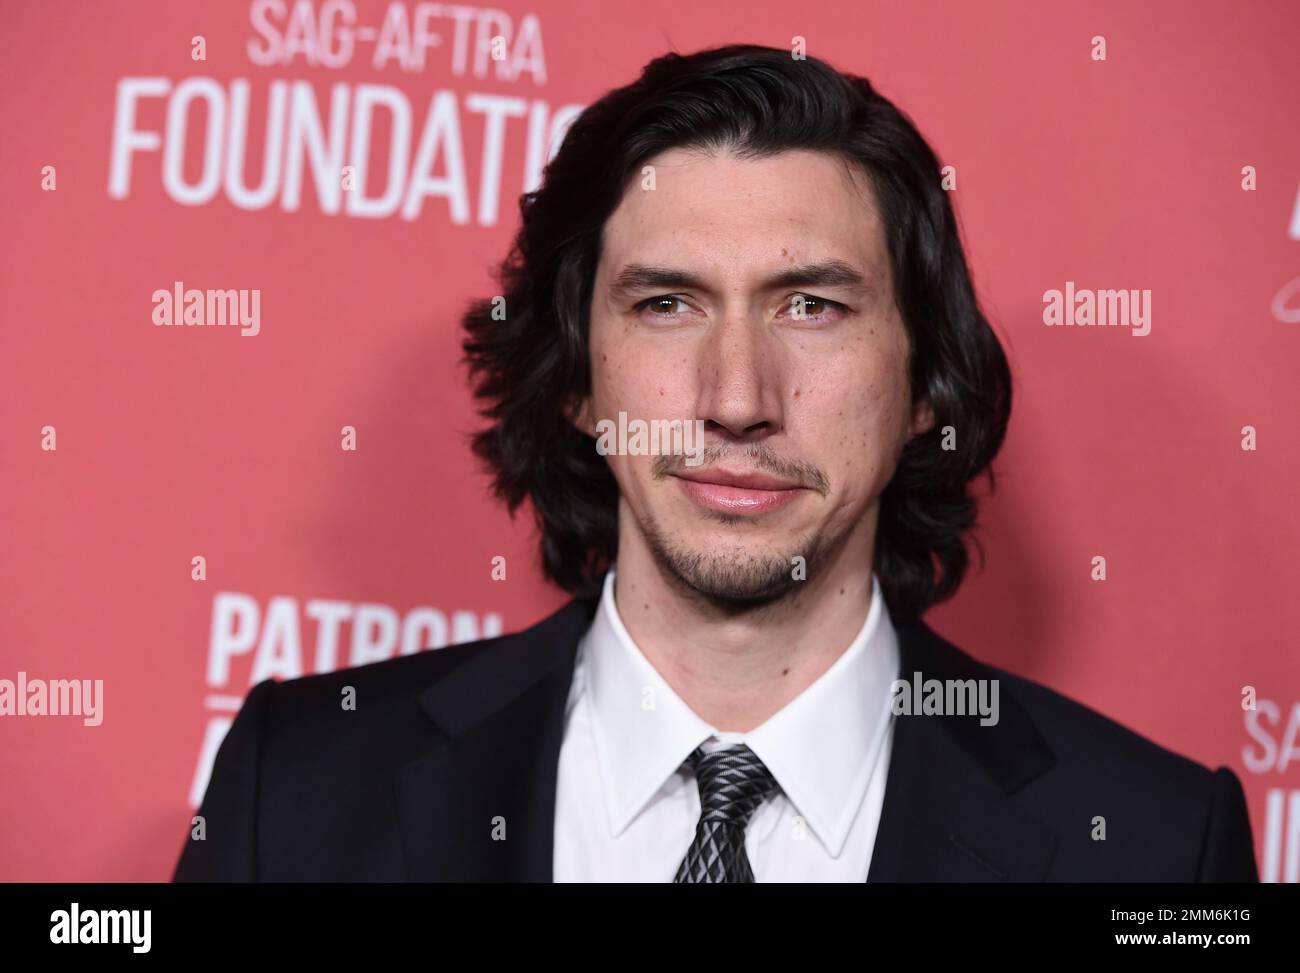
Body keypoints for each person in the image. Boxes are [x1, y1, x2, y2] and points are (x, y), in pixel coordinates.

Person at [174, 43, 1258, 882]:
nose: (737, 399)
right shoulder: (305, 787)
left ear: (925, 381)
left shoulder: (1152, 843)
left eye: (812, 307)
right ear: (578, 380)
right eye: (665, 305)